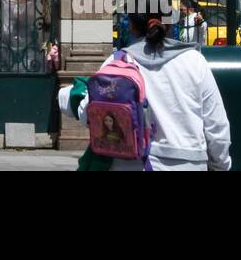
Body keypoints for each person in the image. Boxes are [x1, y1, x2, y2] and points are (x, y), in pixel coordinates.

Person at [60, 11, 232, 171]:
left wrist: (65, 97)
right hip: (189, 164)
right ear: (170, 24)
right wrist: (220, 165)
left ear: (132, 26)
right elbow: (217, 127)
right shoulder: (195, 62)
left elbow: (89, 113)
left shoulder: (117, 62)